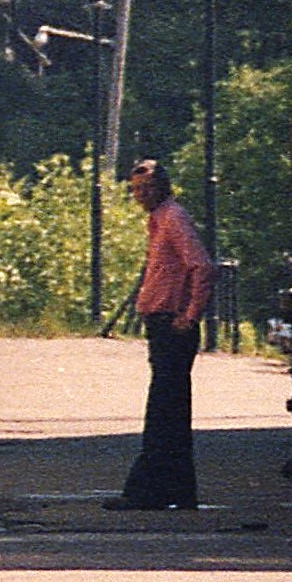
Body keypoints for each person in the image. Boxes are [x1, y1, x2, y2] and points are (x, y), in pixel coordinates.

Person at [109, 159, 212, 510]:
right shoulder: (160, 220)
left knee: (163, 411)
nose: (141, 195)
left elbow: (202, 266)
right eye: (136, 189)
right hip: (162, 322)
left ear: (163, 187)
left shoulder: (173, 218)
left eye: (147, 188)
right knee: (171, 410)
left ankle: (147, 491)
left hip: (172, 323)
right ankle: (178, 491)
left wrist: (190, 315)